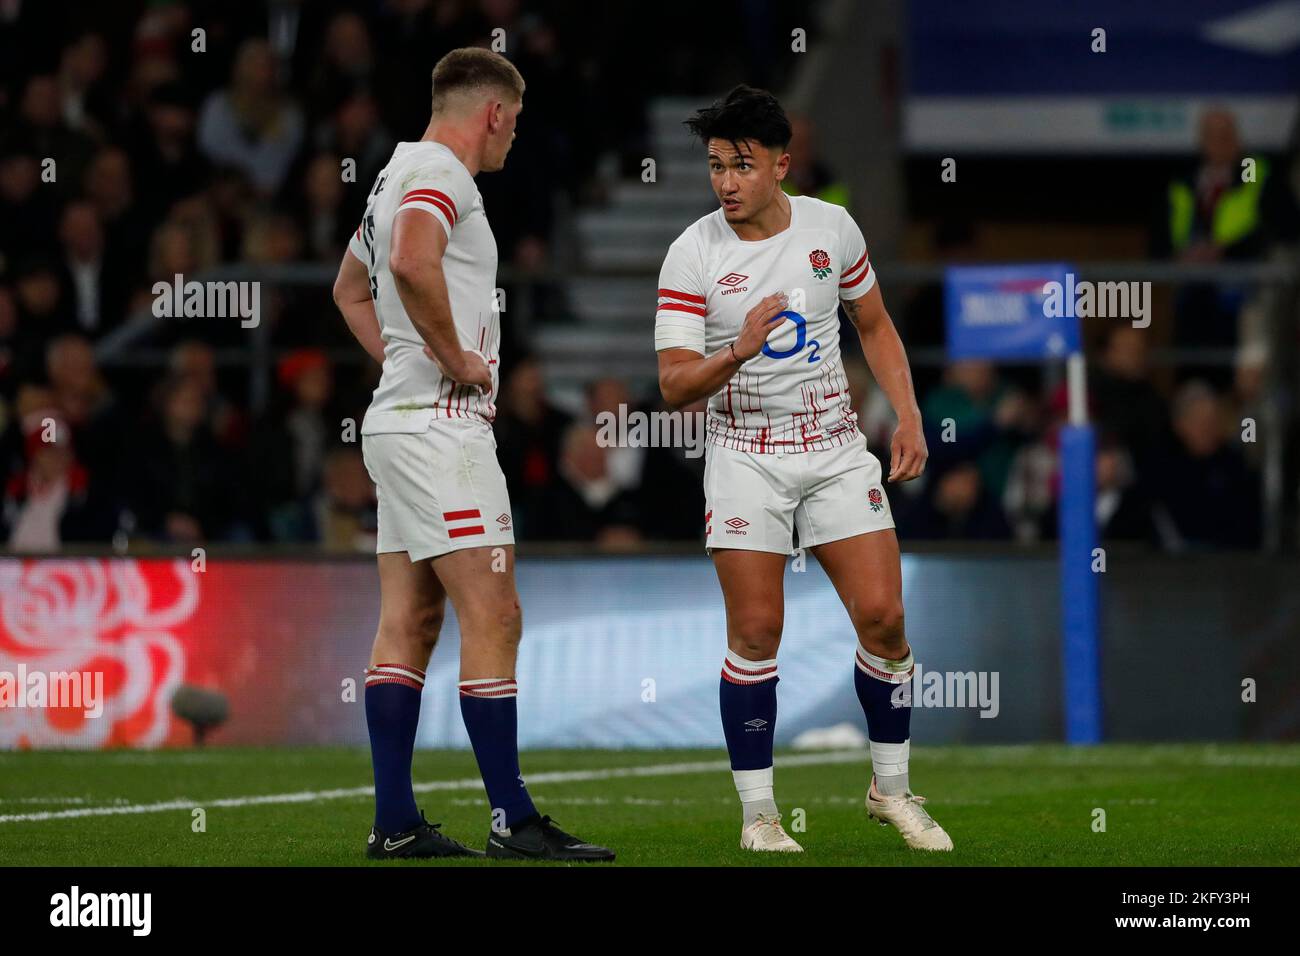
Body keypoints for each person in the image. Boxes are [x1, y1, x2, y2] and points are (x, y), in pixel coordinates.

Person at [331, 47, 612, 862]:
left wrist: (403, 361)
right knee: (495, 613)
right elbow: (413, 261)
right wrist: (451, 359)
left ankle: (393, 824)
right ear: (492, 112)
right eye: (515, 124)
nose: (515, 139)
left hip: (397, 422)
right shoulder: (445, 176)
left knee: (411, 621)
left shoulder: (391, 173)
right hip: (440, 430)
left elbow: (350, 290)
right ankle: (514, 821)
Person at [655, 85, 951, 853]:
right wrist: (736, 352)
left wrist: (910, 414)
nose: (726, 182)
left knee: (885, 620)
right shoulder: (693, 253)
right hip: (745, 456)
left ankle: (891, 792)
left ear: (781, 165)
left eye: (742, 166)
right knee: (757, 631)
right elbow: (674, 382)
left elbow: (875, 323)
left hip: (833, 449)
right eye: (717, 166)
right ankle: (759, 815)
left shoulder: (832, 228)